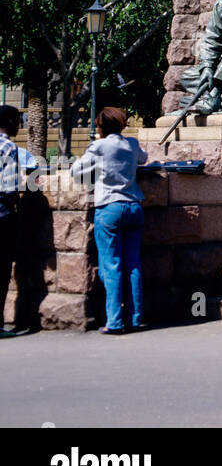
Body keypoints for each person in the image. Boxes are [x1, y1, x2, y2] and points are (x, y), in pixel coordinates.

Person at [70, 108, 146, 334]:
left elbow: (76, 171)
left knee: (111, 265)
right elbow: (144, 159)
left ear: (101, 126)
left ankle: (114, 321)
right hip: (134, 206)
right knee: (133, 265)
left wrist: (96, 144)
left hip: (109, 207)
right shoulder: (131, 144)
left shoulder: (100, 146)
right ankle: (135, 318)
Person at [0, 105, 40, 337]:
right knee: (2, 269)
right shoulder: (9, 147)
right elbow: (11, 185)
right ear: (9, 122)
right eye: (18, 121)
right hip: (2, 214)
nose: (21, 125)